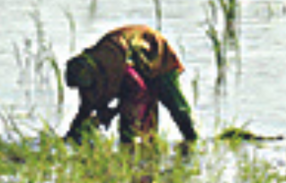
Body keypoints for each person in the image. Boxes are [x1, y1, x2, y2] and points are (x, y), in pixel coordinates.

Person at [64, 25, 198, 145]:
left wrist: (113, 111)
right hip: (134, 69)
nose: (85, 91)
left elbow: (139, 91)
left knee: (176, 105)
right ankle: (136, 150)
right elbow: (86, 107)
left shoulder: (111, 61)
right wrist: (71, 136)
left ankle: (193, 141)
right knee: (130, 126)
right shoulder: (92, 72)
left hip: (156, 54)